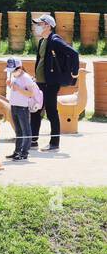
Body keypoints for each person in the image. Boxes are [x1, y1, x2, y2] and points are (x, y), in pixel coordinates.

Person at [30, 13, 78, 152]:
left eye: (39, 24)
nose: (37, 26)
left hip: (50, 83)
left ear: (47, 26)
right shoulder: (41, 41)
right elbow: (41, 61)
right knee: (36, 110)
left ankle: (54, 143)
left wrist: (74, 74)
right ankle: (33, 141)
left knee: (51, 111)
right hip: (39, 83)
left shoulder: (55, 40)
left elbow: (74, 53)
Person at [5, 58, 40, 161]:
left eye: (13, 70)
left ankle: (24, 153)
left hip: (23, 107)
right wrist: (10, 85)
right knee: (18, 131)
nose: (11, 72)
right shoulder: (14, 76)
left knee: (26, 131)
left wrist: (18, 89)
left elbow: (31, 93)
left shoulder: (26, 78)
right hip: (14, 106)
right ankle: (17, 152)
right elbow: (15, 89)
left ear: (19, 68)